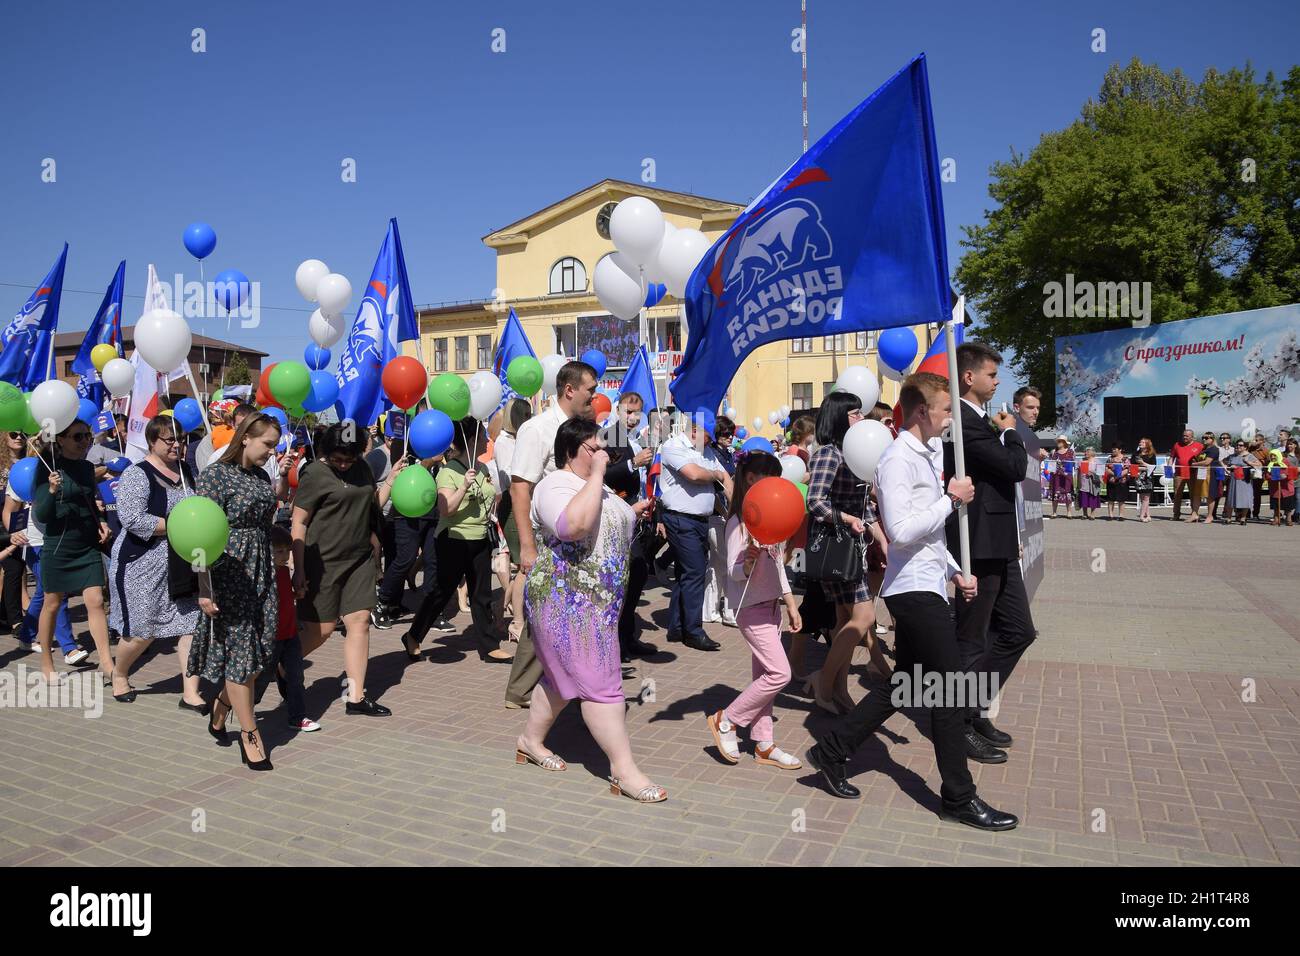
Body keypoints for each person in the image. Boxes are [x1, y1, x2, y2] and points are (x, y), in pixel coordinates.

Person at [806, 373, 1017, 831]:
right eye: (945, 410)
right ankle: (959, 796)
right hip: (912, 594)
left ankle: (830, 751)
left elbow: (928, 537)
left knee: (904, 687)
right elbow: (900, 532)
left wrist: (955, 570)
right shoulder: (898, 458)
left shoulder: (924, 454)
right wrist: (949, 499)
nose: (949, 419)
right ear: (922, 411)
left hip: (928, 583)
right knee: (948, 690)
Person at [513, 417, 663, 802]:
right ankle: (623, 770)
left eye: (603, 448)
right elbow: (574, 526)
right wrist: (598, 475)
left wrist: (634, 508)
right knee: (602, 683)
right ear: (569, 450)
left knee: (561, 682)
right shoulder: (553, 486)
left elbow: (610, 523)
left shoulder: (597, 486)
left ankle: (529, 741)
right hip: (566, 603)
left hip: (599, 604)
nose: (603, 454)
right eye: (593, 448)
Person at [941, 341, 1033, 764]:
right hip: (976, 545)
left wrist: (1002, 432)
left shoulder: (980, 423)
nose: (997, 382)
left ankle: (972, 705)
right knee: (971, 640)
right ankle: (955, 723)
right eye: (992, 375)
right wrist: (1012, 431)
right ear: (969, 377)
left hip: (998, 544)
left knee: (1017, 631)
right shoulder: (961, 424)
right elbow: (1015, 467)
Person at [190, 413, 282, 770]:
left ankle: (222, 708)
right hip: (228, 572)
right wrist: (203, 586)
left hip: (261, 570)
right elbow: (196, 532)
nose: (271, 453)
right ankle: (250, 734)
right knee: (242, 656)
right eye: (267, 444)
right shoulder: (214, 476)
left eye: (274, 446)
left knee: (260, 652)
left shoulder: (261, 477)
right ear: (245, 438)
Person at [503, 360, 597, 708]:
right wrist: (527, 546)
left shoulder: (583, 428)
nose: (594, 397)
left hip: (577, 537)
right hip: (547, 538)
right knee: (545, 613)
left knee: (564, 613)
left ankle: (558, 681)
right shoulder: (538, 429)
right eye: (590, 390)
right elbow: (520, 488)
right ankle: (522, 691)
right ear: (570, 390)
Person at [706, 452, 802, 770]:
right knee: (780, 673)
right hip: (750, 607)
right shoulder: (739, 521)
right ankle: (727, 720)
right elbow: (733, 572)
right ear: (751, 479)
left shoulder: (769, 516)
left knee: (764, 676)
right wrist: (747, 560)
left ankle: (763, 743)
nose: (778, 484)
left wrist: (789, 603)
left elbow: (777, 564)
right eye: (771, 476)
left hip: (771, 606)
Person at [106, 416, 205, 709]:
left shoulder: (186, 471)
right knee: (141, 631)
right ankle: (120, 673)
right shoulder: (137, 474)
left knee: (191, 624)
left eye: (181, 439)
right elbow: (133, 518)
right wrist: (178, 526)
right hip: (141, 564)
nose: (177, 445)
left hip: (182, 563)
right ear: (152, 441)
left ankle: (190, 692)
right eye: (170, 439)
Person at [292, 423, 391, 716]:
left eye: (350, 457)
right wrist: (298, 568)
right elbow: (299, 522)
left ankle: (356, 697)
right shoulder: (314, 473)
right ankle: (284, 664)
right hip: (322, 562)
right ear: (326, 452)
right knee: (320, 631)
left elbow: (371, 505)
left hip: (359, 559)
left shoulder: (362, 468)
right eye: (338, 458)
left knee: (359, 621)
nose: (345, 463)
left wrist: (390, 482)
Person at [804, 391, 890, 715]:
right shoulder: (829, 453)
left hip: (850, 544)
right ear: (840, 417)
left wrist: (881, 538)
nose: (861, 419)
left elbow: (863, 506)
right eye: (855, 414)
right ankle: (823, 682)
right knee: (864, 617)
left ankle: (837, 690)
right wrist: (849, 519)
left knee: (844, 619)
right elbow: (814, 501)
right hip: (833, 546)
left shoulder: (855, 451)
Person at [404, 417, 512, 663]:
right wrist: (463, 486)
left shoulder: (483, 468)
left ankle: (489, 647)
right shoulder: (448, 471)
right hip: (453, 539)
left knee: (481, 594)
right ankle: (413, 635)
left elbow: (489, 500)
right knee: (440, 593)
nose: (488, 439)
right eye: (484, 435)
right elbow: (445, 509)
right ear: (472, 440)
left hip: (480, 538)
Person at [32, 420, 115, 686]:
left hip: (86, 544)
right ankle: (46, 661)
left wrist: (101, 520)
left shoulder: (87, 467)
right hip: (58, 546)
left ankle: (107, 662)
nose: (84, 441)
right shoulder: (47, 468)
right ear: (61, 439)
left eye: (87, 436)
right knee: (52, 604)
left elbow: (90, 501)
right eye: (78, 436)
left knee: (96, 601)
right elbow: (41, 514)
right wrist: (52, 490)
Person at [3, 435, 84, 664]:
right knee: (56, 591)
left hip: (61, 537)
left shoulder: (62, 471)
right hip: (35, 542)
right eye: (43, 447)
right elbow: (10, 509)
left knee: (43, 592)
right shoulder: (22, 472)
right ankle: (69, 648)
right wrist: (13, 533)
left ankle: (27, 635)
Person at [658, 409, 733, 652]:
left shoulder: (706, 450)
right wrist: (718, 474)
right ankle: (694, 630)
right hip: (681, 519)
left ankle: (677, 627)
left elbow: (725, 482)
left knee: (686, 573)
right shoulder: (673, 446)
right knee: (696, 572)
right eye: (708, 436)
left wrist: (734, 510)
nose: (711, 441)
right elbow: (694, 474)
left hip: (699, 520)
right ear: (694, 431)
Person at [600, 391, 657, 660]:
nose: (633, 418)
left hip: (640, 514)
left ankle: (627, 636)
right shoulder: (610, 436)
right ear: (617, 410)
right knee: (622, 581)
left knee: (637, 577)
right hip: (618, 513)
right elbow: (604, 474)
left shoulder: (638, 438)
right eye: (628, 412)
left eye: (637, 413)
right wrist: (633, 463)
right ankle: (616, 643)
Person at [252, 525, 319, 732]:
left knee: (296, 677)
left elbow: (285, 598)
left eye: (287, 550)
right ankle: (243, 707)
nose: (285, 555)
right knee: (262, 679)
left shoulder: (283, 571)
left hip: (290, 635)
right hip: (270, 638)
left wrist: (296, 594)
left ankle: (297, 717)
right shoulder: (262, 575)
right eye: (279, 551)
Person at [1169, 428, 1204, 521]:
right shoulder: (1177, 445)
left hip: (1193, 474)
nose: (1184, 437)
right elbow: (1172, 457)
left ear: (1192, 437)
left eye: (1187, 436)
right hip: (1179, 474)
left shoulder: (1199, 446)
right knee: (1177, 495)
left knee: (1194, 495)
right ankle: (1176, 514)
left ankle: (1194, 514)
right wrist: (1168, 469)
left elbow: (1203, 460)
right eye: (1183, 435)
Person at [1223, 440, 1259, 524]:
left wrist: (1248, 463)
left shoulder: (1249, 456)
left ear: (1245, 447)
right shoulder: (1232, 456)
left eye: (1240, 445)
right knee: (1231, 498)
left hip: (1244, 480)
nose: (1238, 447)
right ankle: (1228, 518)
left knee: (1245, 498)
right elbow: (1222, 461)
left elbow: (1259, 464)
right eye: (1236, 445)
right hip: (1233, 479)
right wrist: (1227, 468)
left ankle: (1243, 518)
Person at [1270, 437, 1297, 527]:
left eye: (1274, 455)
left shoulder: (1285, 461)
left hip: (1286, 487)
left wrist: (1286, 475)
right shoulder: (1271, 464)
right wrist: (1271, 476)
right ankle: (1276, 518)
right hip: (1275, 488)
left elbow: (1291, 471)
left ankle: (1288, 518)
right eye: (1271, 455)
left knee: (1288, 505)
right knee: (1276, 505)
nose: (1273, 457)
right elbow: (1267, 474)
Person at [1048, 437, 1075, 518]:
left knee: (1068, 493)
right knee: (1055, 493)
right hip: (1056, 476)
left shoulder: (1070, 452)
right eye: (1058, 441)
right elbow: (1051, 464)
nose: (1058, 443)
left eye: (1060, 441)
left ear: (1064, 443)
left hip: (1067, 476)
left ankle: (1069, 512)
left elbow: (1073, 464)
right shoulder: (1054, 452)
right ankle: (1054, 512)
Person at [1132, 437, 1157, 522]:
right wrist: (1135, 472)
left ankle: (1142, 516)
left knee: (1146, 497)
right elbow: (1132, 465)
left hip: (1148, 477)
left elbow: (1153, 467)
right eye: (1140, 442)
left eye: (1143, 442)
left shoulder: (1151, 454)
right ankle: (1148, 515)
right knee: (1142, 497)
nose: (1140, 443)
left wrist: (1143, 463)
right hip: (1138, 476)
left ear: (1147, 444)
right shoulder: (1135, 454)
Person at [1104, 445, 1129, 520]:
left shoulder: (1125, 459)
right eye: (1112, 449)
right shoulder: (1110, 458)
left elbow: (1127, 469)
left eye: (1115, 449)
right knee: (1110, 499)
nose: (1113, 451)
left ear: (1120, 450)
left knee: (1121, 499)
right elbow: (1106, 468)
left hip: (1122, 481)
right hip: (1111, 481)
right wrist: (1113, 474)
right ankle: (1110, 515)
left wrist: (1118, 476)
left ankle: (1121, 515)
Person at [1078, 448, 1101, 518]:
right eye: (1085, 451)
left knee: (1093, 498)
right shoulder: (1082, 461)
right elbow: (1079, 472)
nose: (1085, 453)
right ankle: (1085, 514)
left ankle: (1092, 514)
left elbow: (1101, 472)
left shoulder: (1097, 461)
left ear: (1092, 452)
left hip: (1093, 482)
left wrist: (1092, 473)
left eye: (1087, 452)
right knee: (1084, 498)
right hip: (1084, 482)